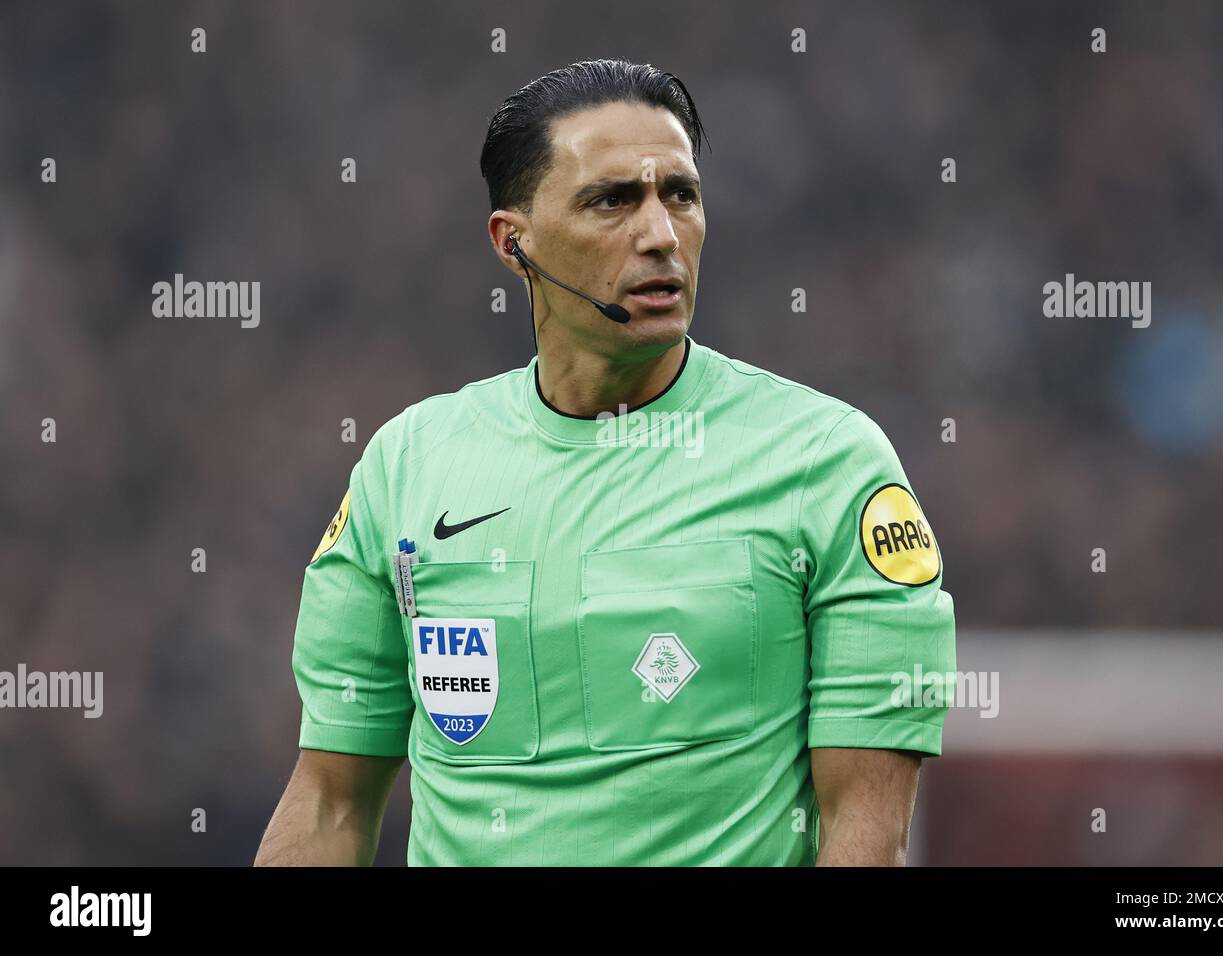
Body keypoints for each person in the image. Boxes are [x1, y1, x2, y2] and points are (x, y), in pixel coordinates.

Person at [255, 58, 956, 867]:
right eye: (613, 200)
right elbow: (331, 802)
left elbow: (867, 838)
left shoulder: (826, 465)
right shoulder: (406, 468)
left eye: (680, 195)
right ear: (514, 244)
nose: (661, 234)